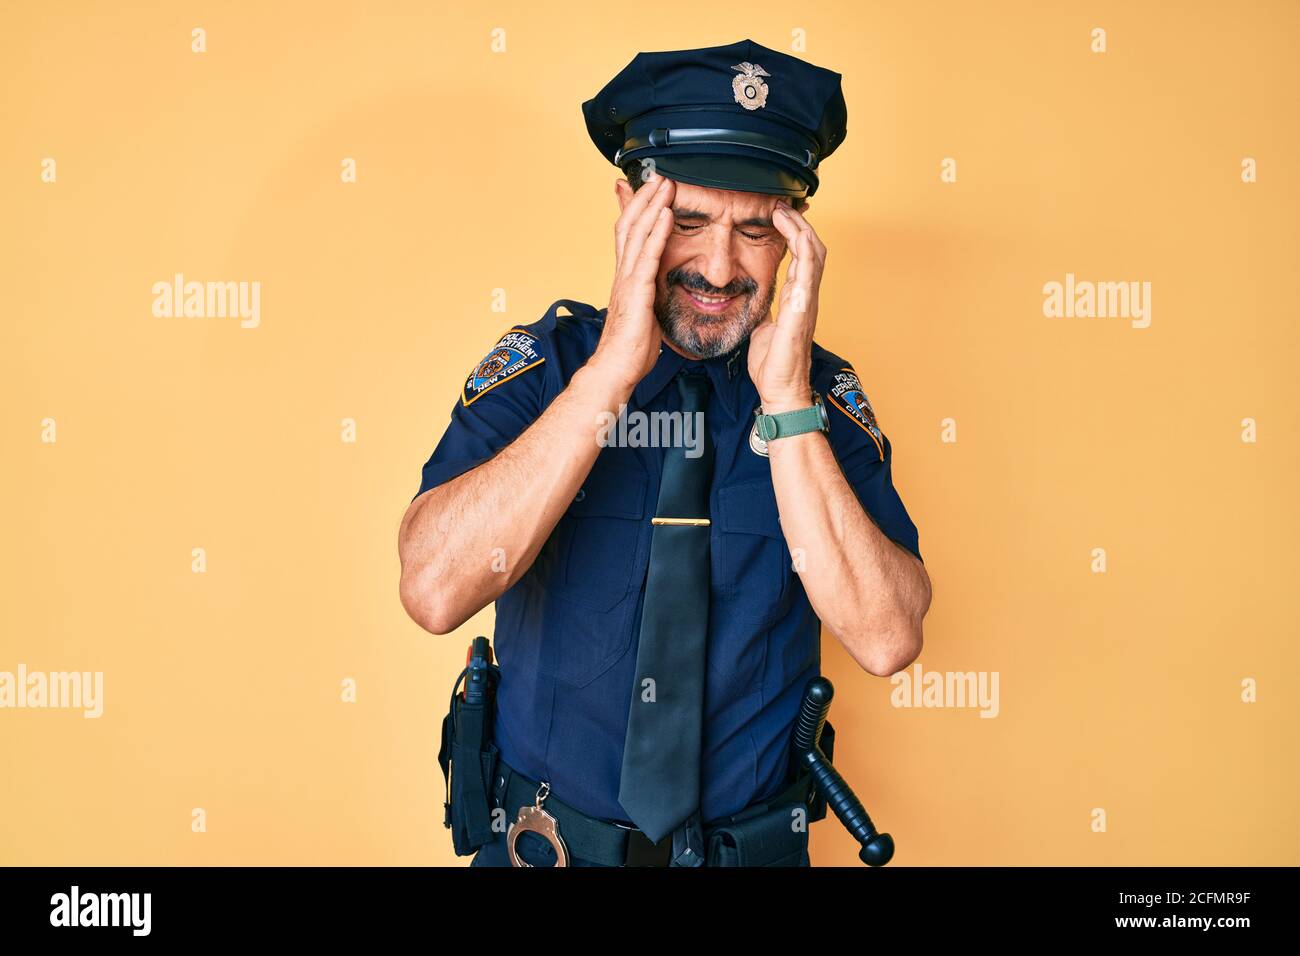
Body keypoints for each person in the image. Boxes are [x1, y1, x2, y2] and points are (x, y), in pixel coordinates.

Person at [399, 38, 931, 867]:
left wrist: (789, 407)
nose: (719, 267)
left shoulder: (817, 396)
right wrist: (610, 373)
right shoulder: (547, 367)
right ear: (630, 207)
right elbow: (433, 591)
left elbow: (887, 637)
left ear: (794, 242)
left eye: (755, 231)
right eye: (688, 222)